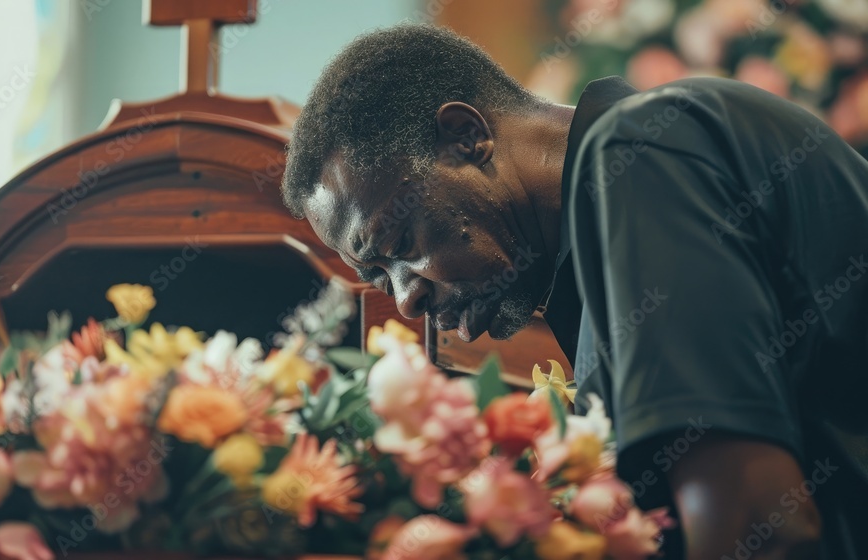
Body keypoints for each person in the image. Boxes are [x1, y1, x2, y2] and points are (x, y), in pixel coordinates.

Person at [281, 24, 868, 559]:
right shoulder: (597, 247)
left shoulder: (639, 151)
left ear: (466, 137)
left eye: (399, 240)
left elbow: (755, 520)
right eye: (380, 277)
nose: (406, 301)